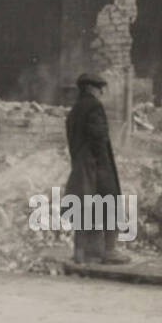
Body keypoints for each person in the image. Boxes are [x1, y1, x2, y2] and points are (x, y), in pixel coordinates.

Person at [64, 73, 128, 265]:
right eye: (100, 88)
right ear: (91, 88)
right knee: (110, 202)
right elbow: (98, 137)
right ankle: (110, 251)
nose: (102, 92)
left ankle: (81, 251)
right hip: (96, 165)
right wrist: (104, 165)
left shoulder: (75, 110)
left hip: (80, 164)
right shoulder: (94, 107)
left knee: (83, 207)